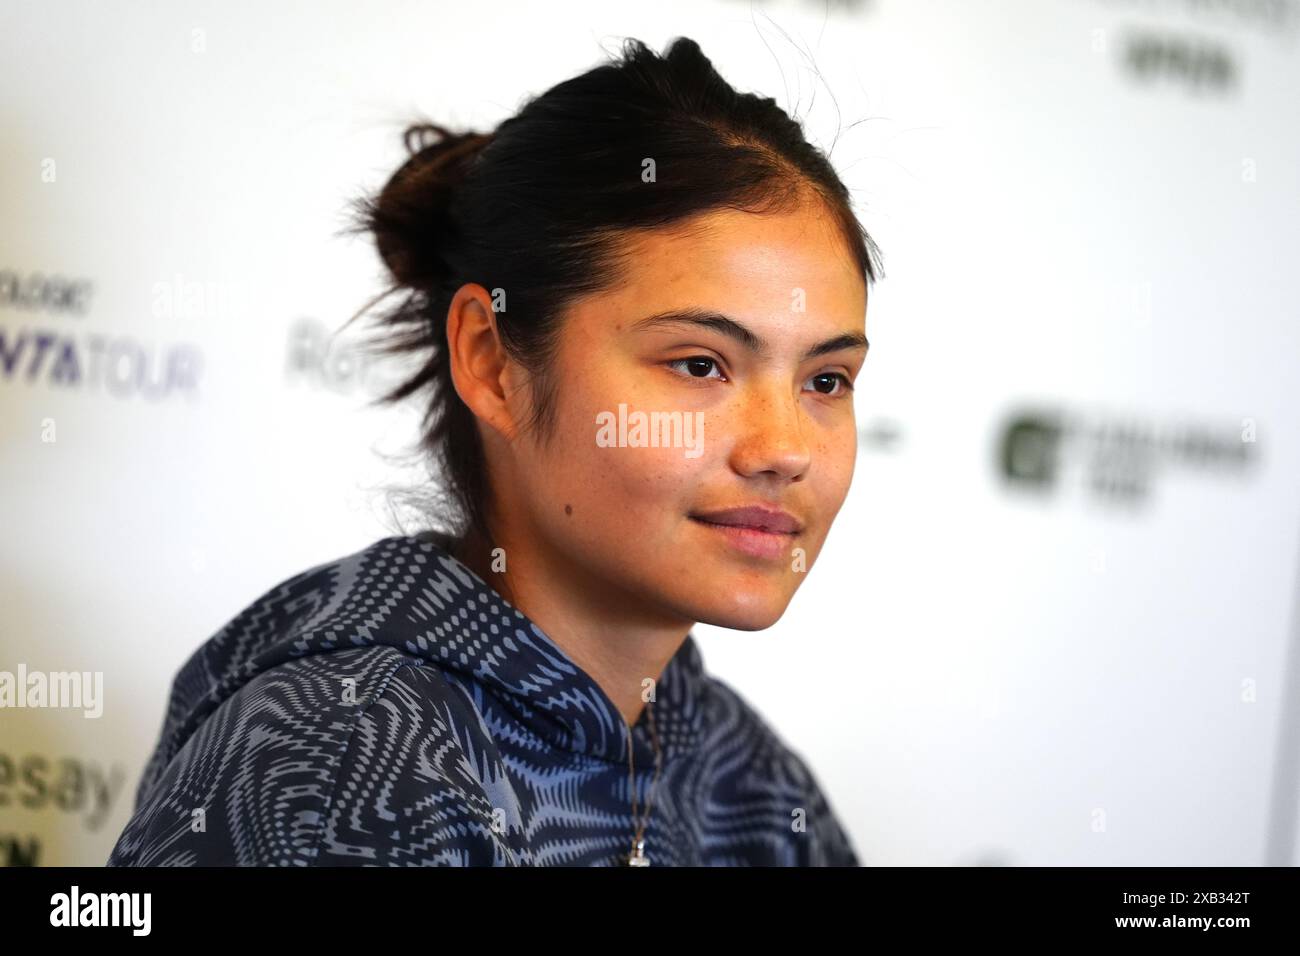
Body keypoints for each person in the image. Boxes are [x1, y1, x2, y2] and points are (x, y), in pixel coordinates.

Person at [107, 34, 882, 867]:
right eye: (699, 364)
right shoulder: (339, 764)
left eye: (826, 381)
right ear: (491, 360)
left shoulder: (756, 788)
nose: (784, 449)